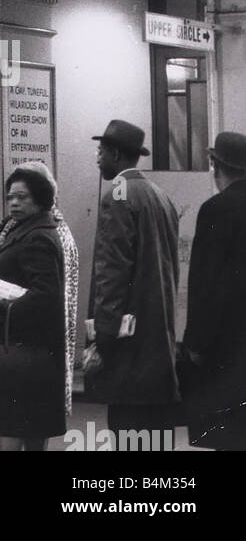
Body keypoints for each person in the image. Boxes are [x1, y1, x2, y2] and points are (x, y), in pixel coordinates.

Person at [87, 118, 180, 447]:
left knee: (129, 439)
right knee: (155, 441)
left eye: (100, 151)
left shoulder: (118, 196)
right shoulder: (159, 196)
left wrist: (103, 338)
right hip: (158, 343)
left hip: (129, 349)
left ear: (114, 153)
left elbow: (111, 275)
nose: (97, 158)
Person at [0, 165, 67, 450]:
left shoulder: (36, 237)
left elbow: (45, 294)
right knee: (30, 435)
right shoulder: (25, 230)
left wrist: (2, 309)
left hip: (21, 354)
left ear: (39, 199)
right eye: (11, 197)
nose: (14, 203)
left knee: (14, 432)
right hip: (31, 354)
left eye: (22, 197)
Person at [181, 131, 246, 450]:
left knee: (229, 436)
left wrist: (195, 343)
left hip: (227, 347)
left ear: (216, 166)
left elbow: (206, 284)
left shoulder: (216, 209)